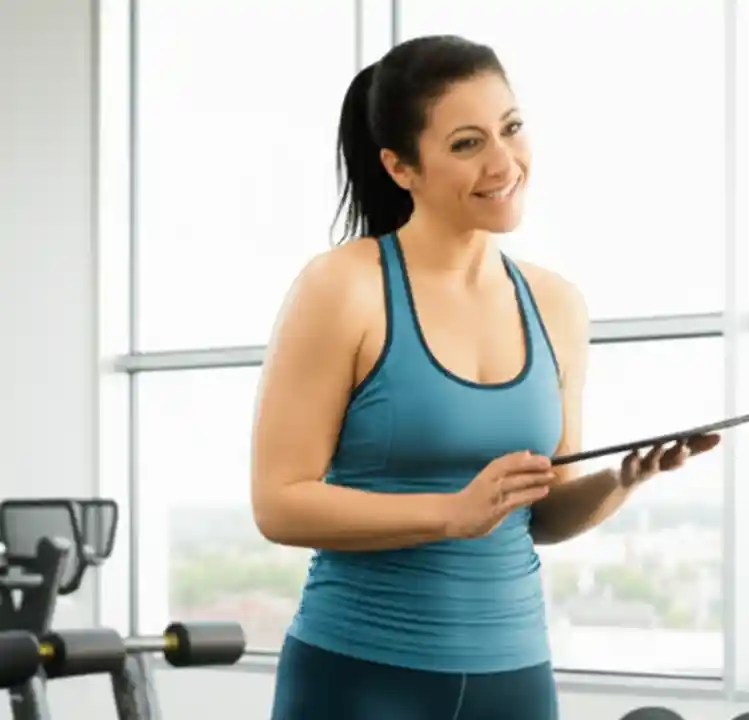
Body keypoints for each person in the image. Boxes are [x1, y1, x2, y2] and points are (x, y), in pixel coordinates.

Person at [249, 34, 720, 720]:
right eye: (467, 144)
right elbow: (279, 503)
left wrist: (624, 479)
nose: (504, 162)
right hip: (361, 675)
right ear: (401, 167)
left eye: (512, 128)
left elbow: (544, 514)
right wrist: (450, 513)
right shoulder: (344, 288)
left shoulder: (556, 304)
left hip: (517, 679)